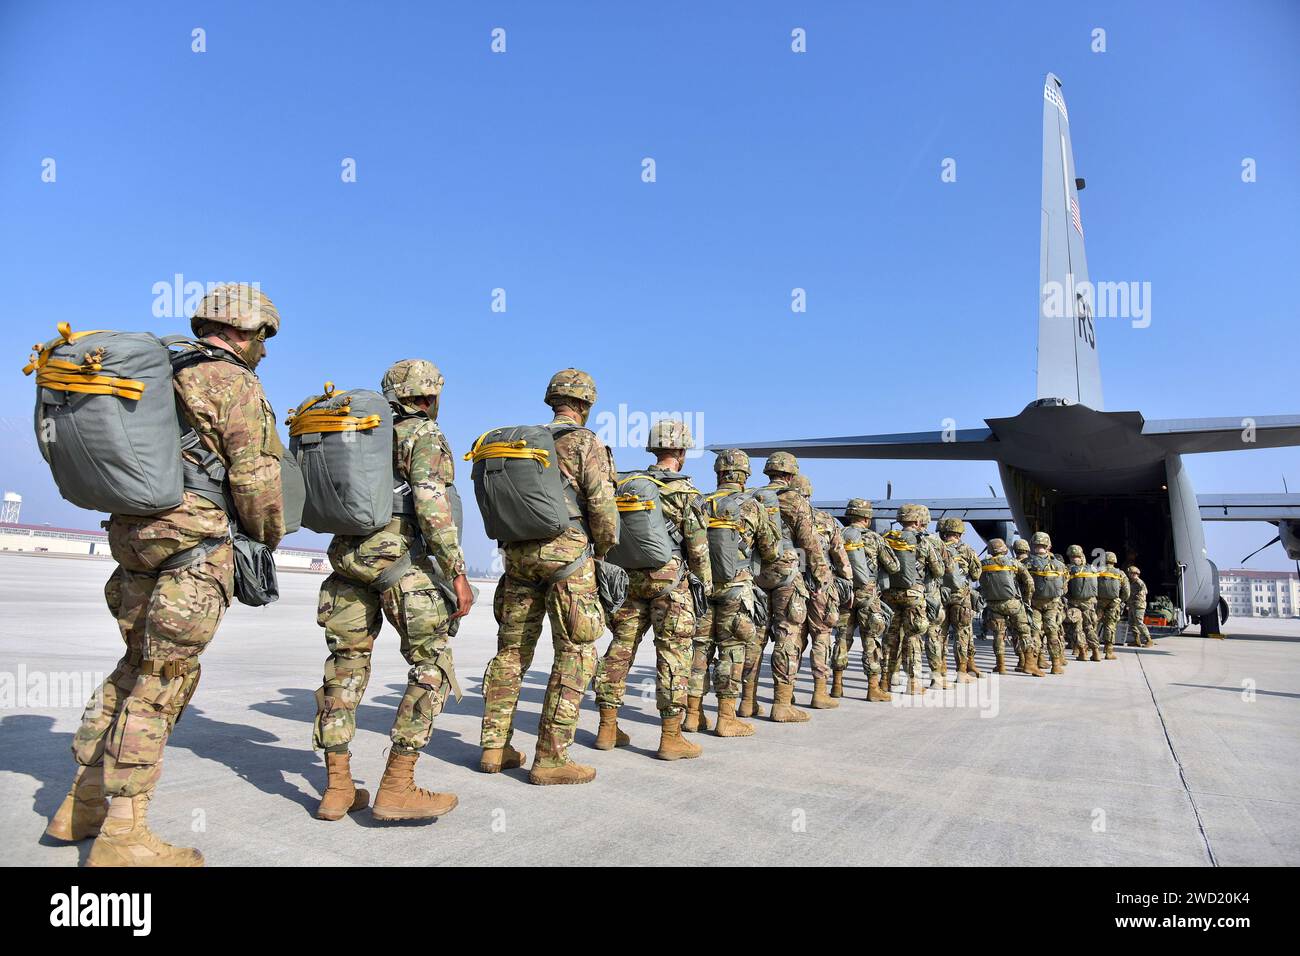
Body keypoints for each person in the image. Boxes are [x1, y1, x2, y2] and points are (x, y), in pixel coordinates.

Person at [48, 284, 285, 866]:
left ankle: (80, 804)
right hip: (192, 547)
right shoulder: (233, 381)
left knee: (134, 667)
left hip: (134, 541)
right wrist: (266, 536)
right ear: (243, 331)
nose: (265, 350)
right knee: (164, 680)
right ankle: (124, 835)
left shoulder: (164, 367)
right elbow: (254, 476)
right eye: (263, 338)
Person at [311, 359, 473, 822]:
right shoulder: (423, 435)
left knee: (343, 670)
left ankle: (337, 788)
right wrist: (456, 571)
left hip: (346, 562)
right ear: (430, 396)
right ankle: (397, 786)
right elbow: (430, 501)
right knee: (432, 666)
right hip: (399, 564)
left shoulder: (361, 430)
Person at [478, 369, 619, 785]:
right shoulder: (584, 442)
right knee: (576, 652)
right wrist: (604, 551)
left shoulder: (518, 440)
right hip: (568, 561)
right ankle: (552, 758)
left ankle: (493, 746)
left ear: (552, 401)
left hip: (518, 560)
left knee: (511, 653)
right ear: (586, 405)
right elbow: (602, 507)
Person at [595, 419, 713, 758]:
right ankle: (671, 738)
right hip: (671, 587)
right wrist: (703, 587)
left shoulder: (629, 484)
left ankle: (607, 727)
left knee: (619, 651)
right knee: (674, 656)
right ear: (680, 451)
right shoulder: (687, 493)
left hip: (630, 583)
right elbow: (698, 548)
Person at [687, 449, 780, 735]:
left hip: (700, 588)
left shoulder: (699, 502)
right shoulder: (754, 506)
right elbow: (771, 551)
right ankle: (726, 717)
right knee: (732, 650)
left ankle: (692, 715)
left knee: (699, 649)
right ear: (745, 475)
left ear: (717, 474)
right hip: (736, 589)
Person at [752, 452, 832, 721]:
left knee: (756, 637)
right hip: (788, 573)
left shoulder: (754, 496)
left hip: (757, 574)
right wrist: (821, 578)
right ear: (791, 474)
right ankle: (782, 704)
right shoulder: (794, 499)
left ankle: (746, 701)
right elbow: (809, 543)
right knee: (787, 635)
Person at [792, 474, 850, 708]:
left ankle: (786, 692)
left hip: (792, 583)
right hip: (821, 586)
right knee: (821, 636)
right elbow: (840, 557)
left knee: (792, 636)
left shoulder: (783, 517)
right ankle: (820, 692)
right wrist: (847, 585)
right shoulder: (827, 520)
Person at [833, 498, 898, 700]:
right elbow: (894, 566)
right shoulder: (874, 538)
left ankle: (836, 685)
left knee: (842, 638)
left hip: (844, 594)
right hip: (868, 595)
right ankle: (872, 688)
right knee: (871, 640)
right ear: (867, 519)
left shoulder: (838, 535)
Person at [880, 504, 946, 695]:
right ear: (917, 522)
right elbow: (939, 570)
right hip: (914, 595)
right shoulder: (923, 542)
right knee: (913, 637)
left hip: (890, 595)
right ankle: (914, 683)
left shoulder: (888, 539)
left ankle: (886, 680)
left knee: (890, 637)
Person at [978, 538, 1037, 676]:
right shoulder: (1013, 563)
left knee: (998, 635)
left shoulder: (983, 565)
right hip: (1013, 603)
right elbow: (1029, 582)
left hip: (993, 605)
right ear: (1004, 549)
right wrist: (1027, 599)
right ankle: (1029, 664)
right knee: (1024, 632)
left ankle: (1001, 666)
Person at [937, 518, 982, 683]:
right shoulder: (967, 550)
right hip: (961, 597)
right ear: (960, 533)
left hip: (941, 596)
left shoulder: (937, 547)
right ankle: (962, 672)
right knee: (962, 634)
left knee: (940, 635)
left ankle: (941, 670)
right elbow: (976, 574)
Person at [1022, 531, 1068, 675]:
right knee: (1053, 633)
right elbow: (1064, 587)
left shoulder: (1026, 563)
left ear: (1033, 544)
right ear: (1048, 545)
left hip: (1034, 604)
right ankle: (1056, 665)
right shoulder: (1059, 565)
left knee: (1035, 633)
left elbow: (1020, 584)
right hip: (1052, 604)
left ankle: (1033, 664)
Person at [1064, 544, 1101, 661]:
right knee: (1089, 627)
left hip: (1074, 603)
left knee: (1077, 628)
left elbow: (1064, 588)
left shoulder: (1069, 569)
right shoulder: (1092, 569)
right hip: (1089, 603)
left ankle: (1082, 653)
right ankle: (1096, 652)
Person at [1095, 551, 1131, 660]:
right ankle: (1108, 651)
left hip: (1099, 602)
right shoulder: (1120, 573)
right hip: (1113, 603)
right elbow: (1127, 591)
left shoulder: (1097, 572)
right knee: (1110, 625)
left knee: (1093, 624)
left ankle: (1092, 649)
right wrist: (1120, 600)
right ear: (1114, 561)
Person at [1127, 565, 1154, 648]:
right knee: (1132, 623)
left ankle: (1149, 640)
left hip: (1138, 606)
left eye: (1130, 573)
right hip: (1132, 605)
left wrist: (1135, 600)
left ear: (1134, 574)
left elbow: (1143, 593)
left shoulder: (1139, 583)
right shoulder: (1131, 582)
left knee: (1139, 623)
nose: (1129, 575)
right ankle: (1136, 640)